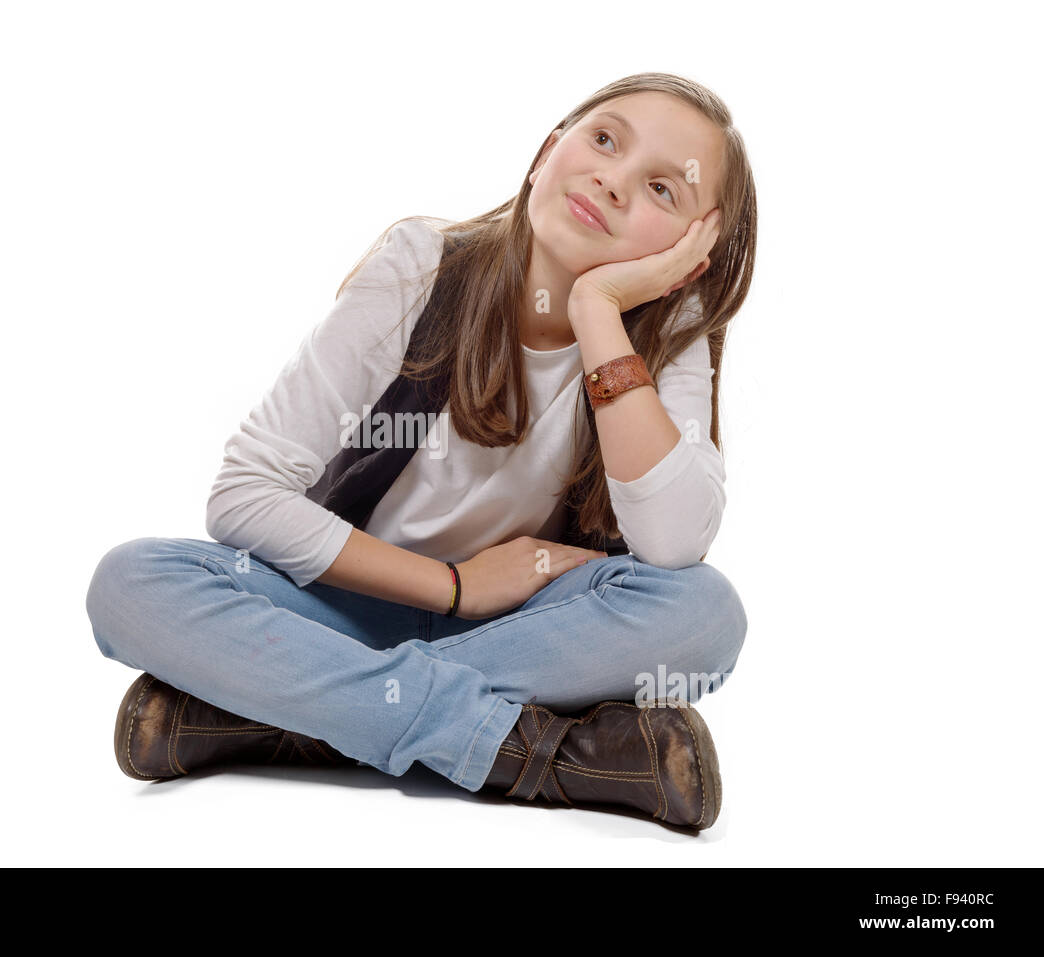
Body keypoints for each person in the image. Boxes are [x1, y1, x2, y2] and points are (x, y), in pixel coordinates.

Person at [86, 72, 756, 830]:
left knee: (705, 618)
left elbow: (673, 545)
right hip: (343, 613)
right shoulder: (421, 266)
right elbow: (244, 495)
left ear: (689, 255)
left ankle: (290, 716)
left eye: (664, 190)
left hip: (528, 639)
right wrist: (453, 585)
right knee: (129, 581)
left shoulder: (669, 336)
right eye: (603, 139)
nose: (612, 180)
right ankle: (532, 750)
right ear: (546, 152)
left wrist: (598, 312)